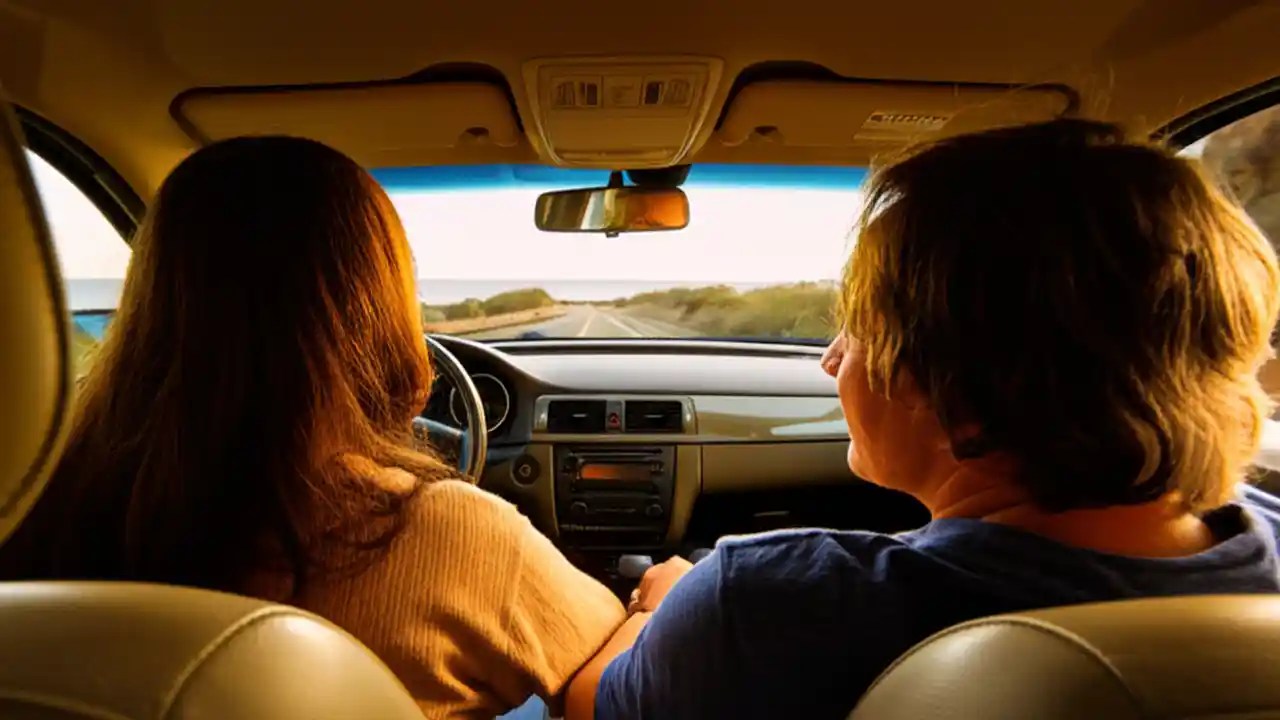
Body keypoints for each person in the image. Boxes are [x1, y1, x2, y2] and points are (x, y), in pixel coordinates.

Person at [565, 118, 1280, 719]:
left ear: (942, 380)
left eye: (857, 328)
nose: (831, 360)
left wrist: (655, 612)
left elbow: (588, 704)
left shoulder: (762, 605)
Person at [0, 136, 624, 719]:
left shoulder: (39, 514)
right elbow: (621, 683)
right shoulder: (456, 534)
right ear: (380, 311)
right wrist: (657, 596)